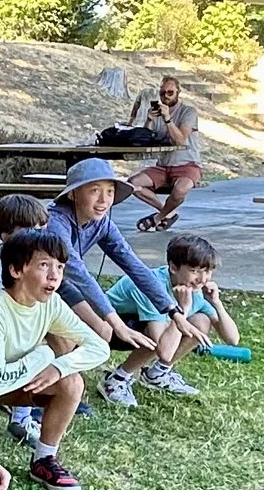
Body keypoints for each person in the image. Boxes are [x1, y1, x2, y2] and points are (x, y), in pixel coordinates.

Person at [0, 228, 107, 490]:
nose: (55, 275)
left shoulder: (51, 304)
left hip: (17, 379)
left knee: (71, 382)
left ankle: (44, 459)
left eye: (60, 267)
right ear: (16, 270)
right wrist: (44, 355)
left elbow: (99, 346)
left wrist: (59, 366)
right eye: (44, 265)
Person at [44, 157, 181, 409]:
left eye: (109, 191)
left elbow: (133, 263)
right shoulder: (56, 222)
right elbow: (78, 273)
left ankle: (66, 385)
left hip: (61, 285)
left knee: (101, 329)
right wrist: (115, 322)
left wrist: (172, 309)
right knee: (91, 330)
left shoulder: (101, 222)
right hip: (34, 287)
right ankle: (56, 392)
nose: (104, 200)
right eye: (94, 190)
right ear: (74, 195)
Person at [108, 232, 245, 371]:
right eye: (194, 271)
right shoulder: (152, 286)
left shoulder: (197, 290)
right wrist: (182, 309)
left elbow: (232, 340)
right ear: (173, 268)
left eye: (207, 271)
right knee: (160, 334)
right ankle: (118, 378)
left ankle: (158, 373)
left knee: (201, 321)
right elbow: (164, 351)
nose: (203, 279)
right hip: (109, 329)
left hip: (136, 325)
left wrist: (217, 303)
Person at [124, 75, 203, 231]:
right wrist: (149, 121)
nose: (165, 96)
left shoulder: (188, 112)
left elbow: (180, 140)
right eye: (162, 93)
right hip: (163, 165)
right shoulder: (157, 112)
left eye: (170, 92)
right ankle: (168, 212)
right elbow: (146, 140)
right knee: (132, 184)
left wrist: (168, 119)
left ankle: (157, 218)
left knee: (180, 190)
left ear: (178, 92)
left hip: (187, 164)